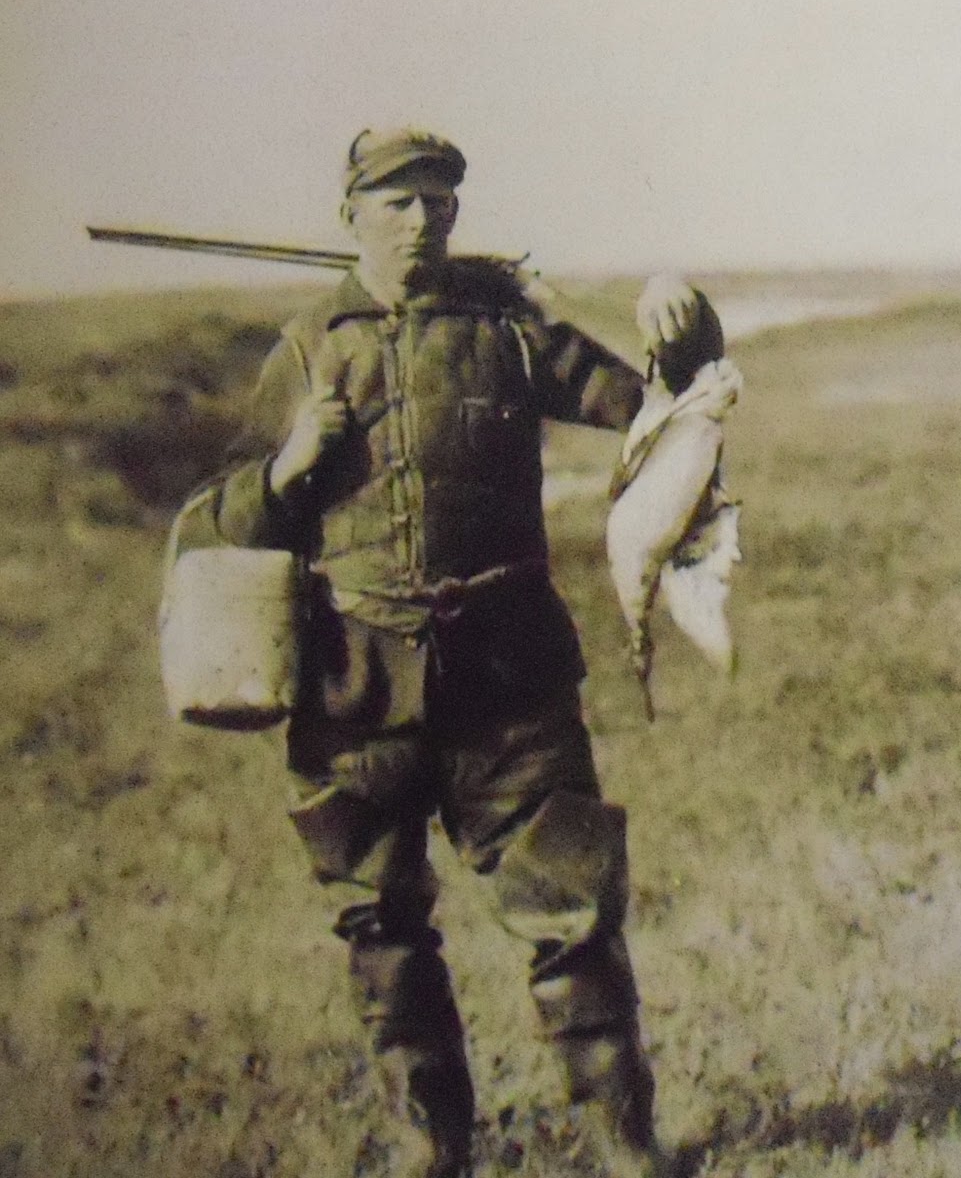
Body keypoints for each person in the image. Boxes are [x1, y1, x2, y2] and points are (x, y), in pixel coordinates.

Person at [173, 127, 727, 1177]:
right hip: (354, 691)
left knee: (573, 916)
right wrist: (289, 467)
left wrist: (684, 327)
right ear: (351, 216)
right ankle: (429, 1145)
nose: (421, 221)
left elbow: (659, 415)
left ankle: (624, 1142)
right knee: (380, 930)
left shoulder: (511, 332)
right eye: (397, 202)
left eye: (438, 201)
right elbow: (219, 525)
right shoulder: (305, 348)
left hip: (511, 682)